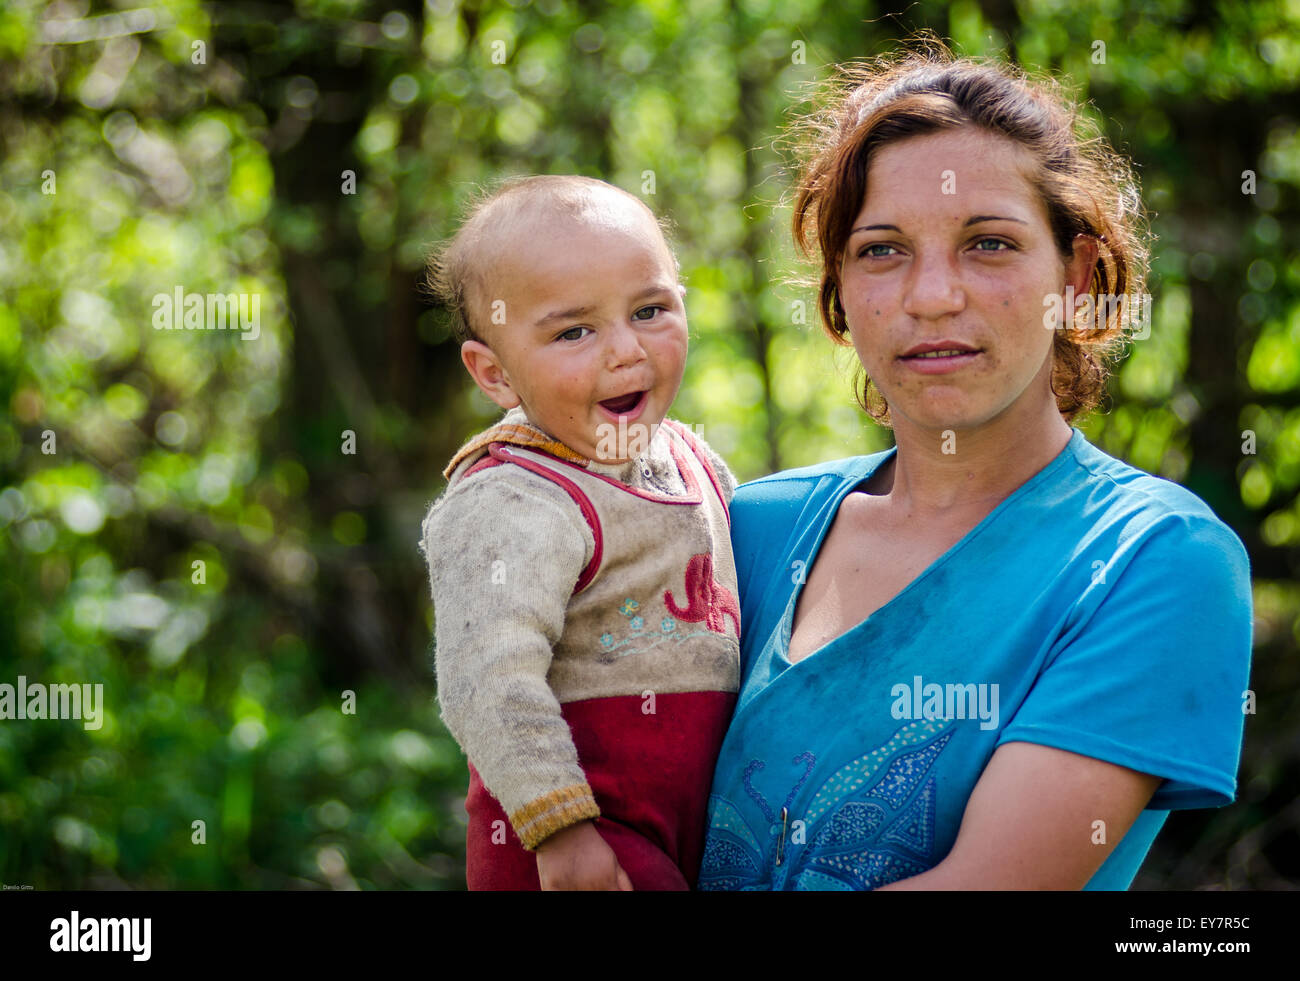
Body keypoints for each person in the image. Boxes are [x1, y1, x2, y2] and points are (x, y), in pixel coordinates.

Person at [698, 44, 1253, 891]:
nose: (932, 296)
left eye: (988, 243)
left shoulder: (1154, 558)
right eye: (881, 249)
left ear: (1074, 274)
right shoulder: (749, 527)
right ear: (840, 290)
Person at [420, 175, 741, 890]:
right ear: (495, 373)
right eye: (575, 330)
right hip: (580, 841)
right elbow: (485, 674)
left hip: (693, 821)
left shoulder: (691, 460)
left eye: (650, 309)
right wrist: (558, 824)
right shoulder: (512, 495)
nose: (626, 350)